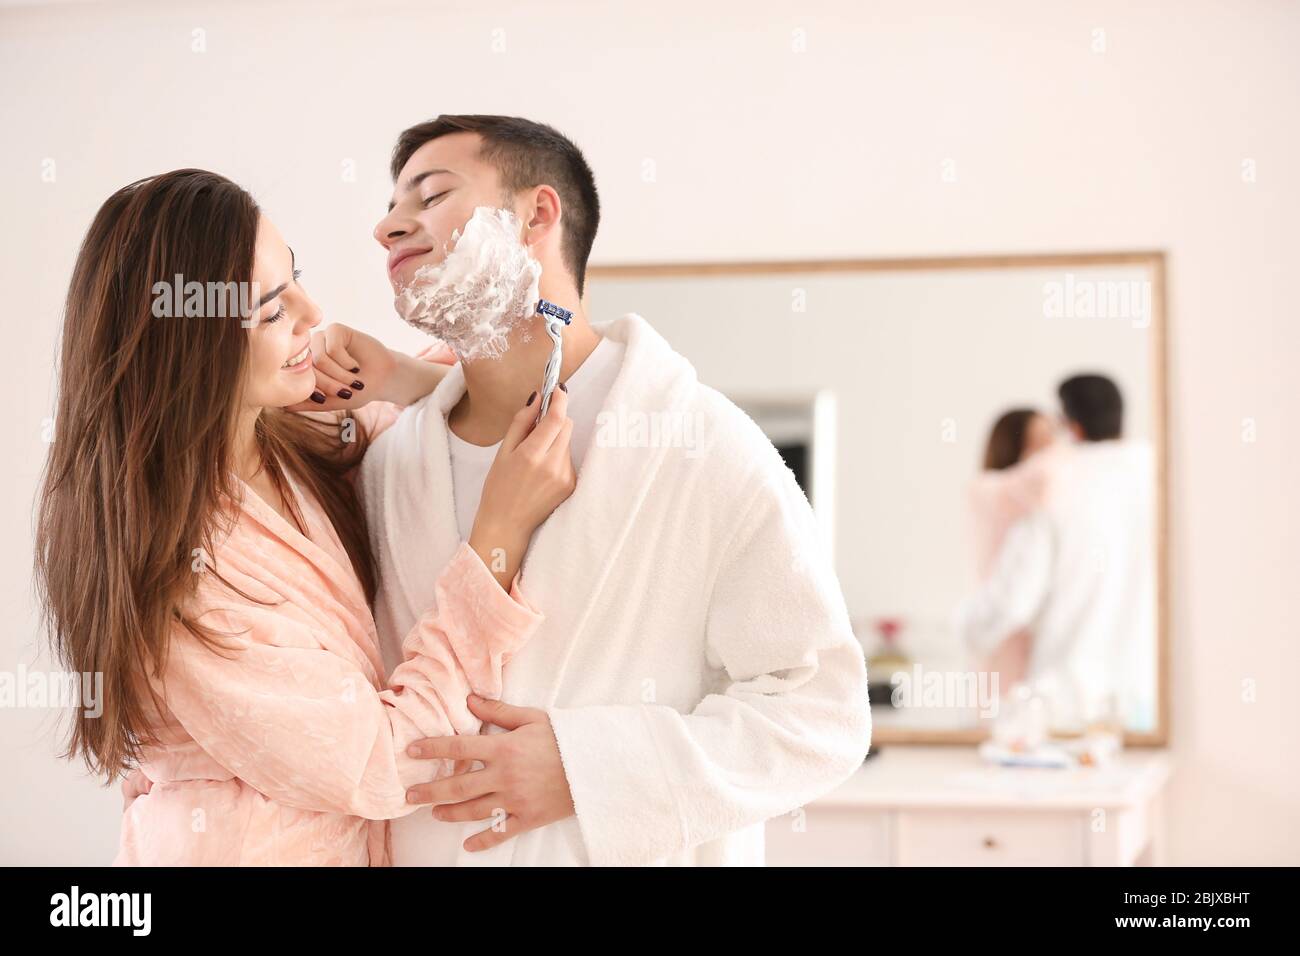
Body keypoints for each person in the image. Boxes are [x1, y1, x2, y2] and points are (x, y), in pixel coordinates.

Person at [363, 115, 873, 866]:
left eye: (431, 194)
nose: (387, 227)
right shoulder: (387, 464)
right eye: (389, 205)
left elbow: (819, 714)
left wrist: (585, 770)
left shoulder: (701, 445)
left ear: (536, 215)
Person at [33, 169, 575, 865]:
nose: (312, 313)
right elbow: (383, 764)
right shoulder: (177, 583)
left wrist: (398, 376)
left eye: (296, 278)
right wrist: (496, 541)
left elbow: (460, 406)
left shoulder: (298, 441)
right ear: (187, 346)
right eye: (270, 309)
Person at [954, 375, 1156, 732]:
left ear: (1071, 426)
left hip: (1067, 707)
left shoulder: (1051, 484)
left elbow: (1009, 604)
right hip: (1152, 702)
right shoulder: (1158, 473)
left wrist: (966, 628)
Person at [967, 408, 1058, 692]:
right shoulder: (988, 490)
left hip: (1032, 634)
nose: (1050, 448)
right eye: (1040, 440)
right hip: (1000, 635)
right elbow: (1040, 481)